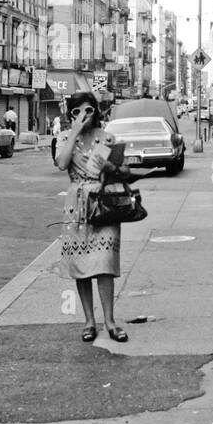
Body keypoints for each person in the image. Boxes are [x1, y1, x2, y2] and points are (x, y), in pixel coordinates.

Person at [53, 91, 131, 343]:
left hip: (104, 202)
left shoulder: (107, 138)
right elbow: (62, 164)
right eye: (77, 111)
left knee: (105, 262)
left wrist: (112, 168)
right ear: (71, 114)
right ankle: (89, 321)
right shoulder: (64, 137)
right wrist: (75, 130)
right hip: (77, 204)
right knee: (81, 265)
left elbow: (124, 171)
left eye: (89, 110)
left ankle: (110, 321)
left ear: (96, 111)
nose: (84, 116)